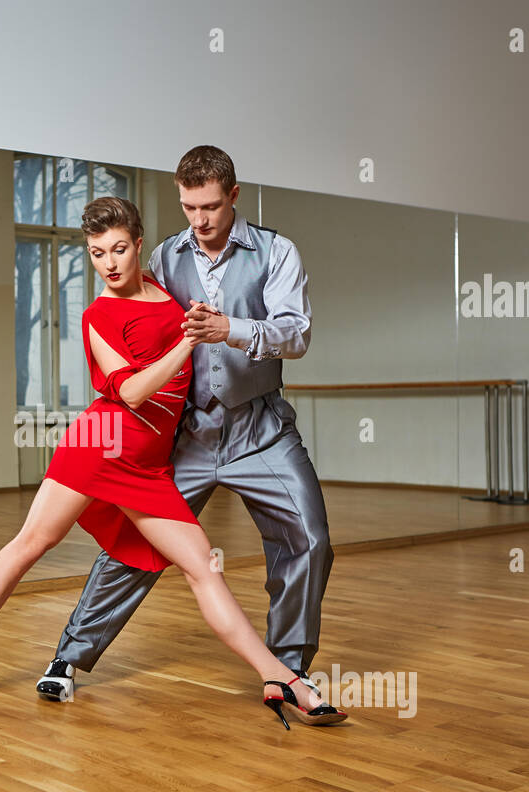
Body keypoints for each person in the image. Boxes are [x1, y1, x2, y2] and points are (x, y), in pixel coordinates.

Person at [0, 197, 342, 729]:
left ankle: (279, 676)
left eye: (119, 249)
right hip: (98, 445)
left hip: (149, 467)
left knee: (202, 566)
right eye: (98, 253)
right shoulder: (98, 315)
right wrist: (187, 344)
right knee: (31, 543)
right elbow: (131, 392)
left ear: (139, 243)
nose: (110, 263)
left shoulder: (167, 290)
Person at [34, 145, 343, 728]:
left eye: (208, 207)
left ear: (233, 196)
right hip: (185, 437)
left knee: (310, 538)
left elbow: (296, 335)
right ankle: (68, 658)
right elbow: (124, 319)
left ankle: (287, 671)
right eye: (187, 207)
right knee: (134, 546)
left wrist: (230, 329)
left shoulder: (277, 252)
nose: (198, 220)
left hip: (260, 429)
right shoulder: (165, 258)